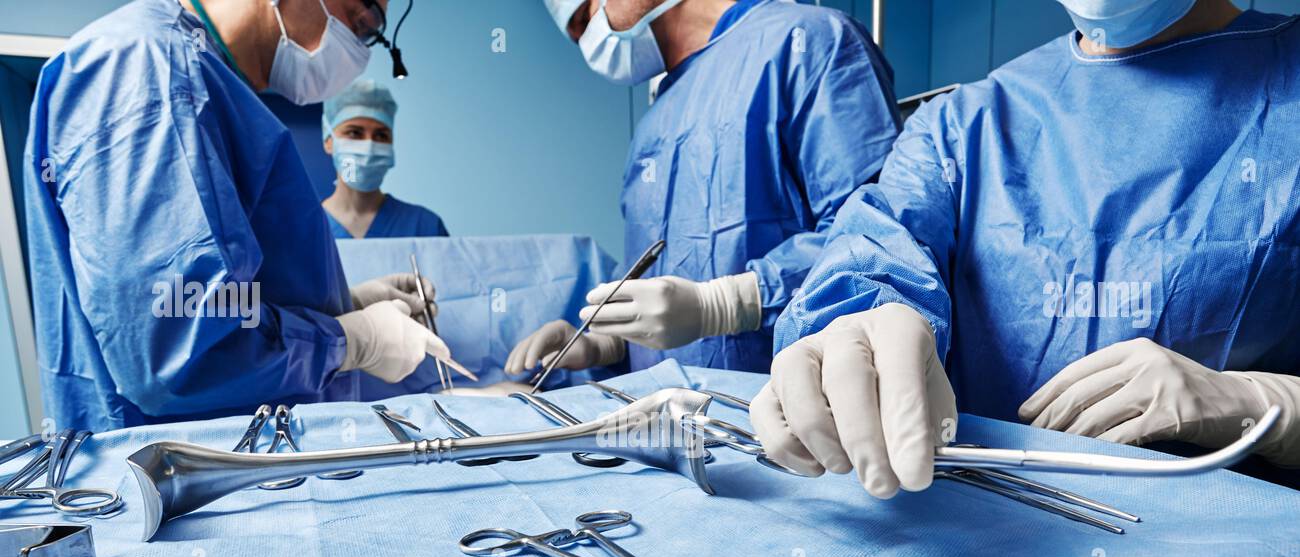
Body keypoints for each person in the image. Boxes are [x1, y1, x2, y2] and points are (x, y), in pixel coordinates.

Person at [751, 0, 1300, 499]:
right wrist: (857, 329)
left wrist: (1264, 408)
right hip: (980, 547)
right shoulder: (966, 123)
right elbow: (880, 243)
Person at [25, 0, 466, 432]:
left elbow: (224, 291)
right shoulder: (148, 67)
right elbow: (174, 354)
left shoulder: (207, 80)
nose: (360, 41)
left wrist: (343, 304)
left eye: (370, 29)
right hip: (178, 480)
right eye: (359, 12)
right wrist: (349, 341)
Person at [506, 0, 900, 380]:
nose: (579, 36)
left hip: (783, 416)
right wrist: (607, 345)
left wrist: (727, 305)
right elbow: (669, 298)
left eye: (582, 14)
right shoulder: (655, 121)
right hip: (667, 426)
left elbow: (877, 239)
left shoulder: (809, 42)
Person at [321, 78, 451, 239]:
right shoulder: (306, 226)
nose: (369, 145)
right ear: (329, 142)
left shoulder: (424, 226)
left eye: (381, 135)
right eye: (354, 133)